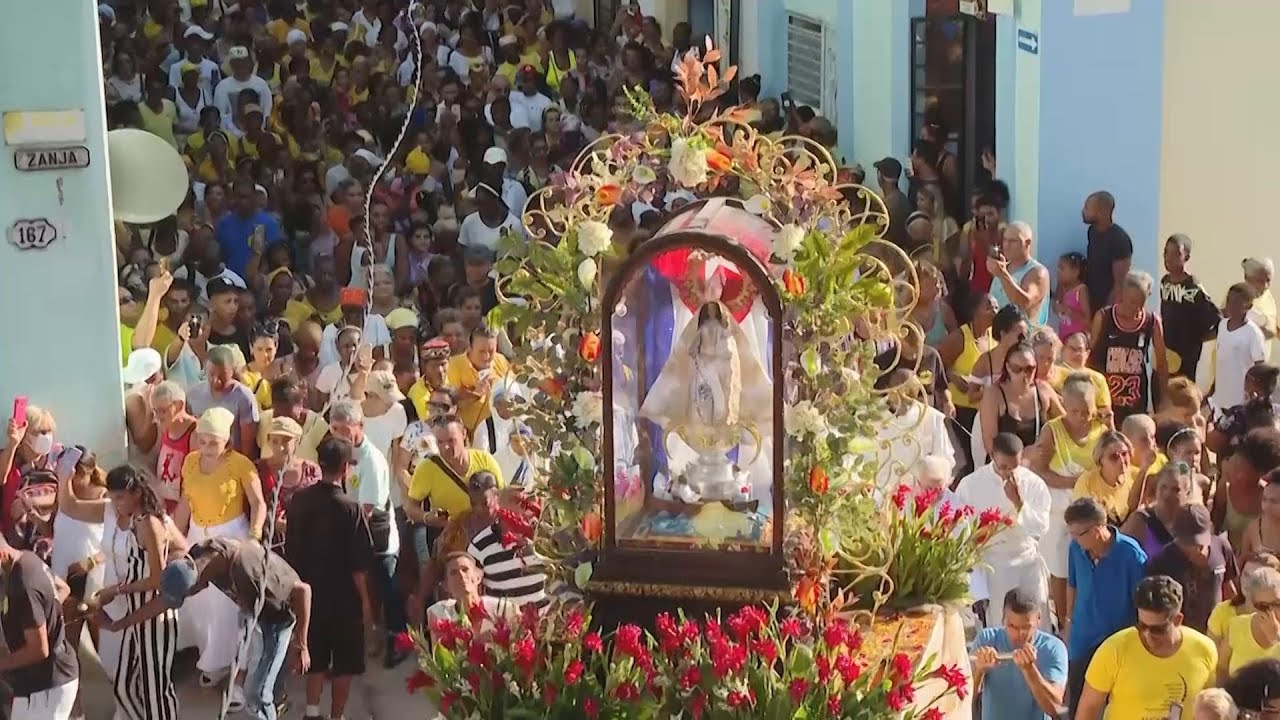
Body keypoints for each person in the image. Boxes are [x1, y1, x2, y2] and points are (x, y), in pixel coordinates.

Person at [109, 537, 312, 720]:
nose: (188, 598)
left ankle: (269, 705)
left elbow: (303, 590)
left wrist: (301, 644)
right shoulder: (198, 556)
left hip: (277, 620)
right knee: (260, 682)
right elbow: (162, 603)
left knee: (256, 693)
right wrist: (122, 624)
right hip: (255, 612)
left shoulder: (246, 570)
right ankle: (275, 697)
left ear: (196, 582)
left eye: (186, 595)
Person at [71, 465, 185, 720]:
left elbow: (157, 579)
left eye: (120, 497)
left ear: (136, 492)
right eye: (112, 498)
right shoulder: (134, 519)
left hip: (155, 619)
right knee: (123, 689)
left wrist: (118, 589)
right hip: (136, 617)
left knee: (156, 694)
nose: (116, 504)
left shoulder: (150, 524)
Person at [175, 407, 267, 688]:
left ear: (227, 440)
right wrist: (174, 538)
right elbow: (185, 503)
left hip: (229, 537)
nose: (206, 447)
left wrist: (253, 537)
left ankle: (238, 668)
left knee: (227, 606)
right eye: (202, 441)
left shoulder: (240, 464)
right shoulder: (190, 462)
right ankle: (211, 659)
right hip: (196, 537)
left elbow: (258, 503)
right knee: (199, 602)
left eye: (213, 442)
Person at [285, 437, 374, 720]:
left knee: (316, 658)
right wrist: (366, 603)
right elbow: (359, 566)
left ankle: (311, 713)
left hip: (308, 595)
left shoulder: (298, 500)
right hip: (344, 599)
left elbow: (291, 549)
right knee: (344, 663)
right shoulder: (350, 508)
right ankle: (337, 716)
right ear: (345, 468)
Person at [326, 399, 405, 667]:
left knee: (387, 585)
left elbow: (367, 509)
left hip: (375, 531)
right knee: (361, 588)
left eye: (345, 430)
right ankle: (365, 634)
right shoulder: (341, 454)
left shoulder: (372, 460)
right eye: (335, 429)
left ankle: (398, 637)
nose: (340, 435)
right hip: (352, 528)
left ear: (360, 427)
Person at [1077, 575, 1217, 720]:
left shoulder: (1204, 650)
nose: (1147, 635)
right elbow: (1088, 710)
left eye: (1158, 630)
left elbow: (1210, 707)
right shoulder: (1114, 650)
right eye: (1141, 626)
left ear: (1177, 620)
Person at [1030, 373, 1109, 630]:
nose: (1080, 417)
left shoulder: (1102, 429)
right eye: (1074, 411)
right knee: (1061, 566)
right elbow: (1040, 470)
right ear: (1064, 404)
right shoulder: (1052, 430)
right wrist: (1073, 483)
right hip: (1060, 507)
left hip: (1093, 507)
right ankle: (1063, 621)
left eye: (1086, 411)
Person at [955, 432, 1052, 627]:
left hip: (1025, 558)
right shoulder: (971, 484)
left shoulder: (1034, 484)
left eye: (1013, 466)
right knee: (1000, 619)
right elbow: (960, 525)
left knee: (1036, 615)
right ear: (992, 455)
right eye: (1003, 467)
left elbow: (1041, 526)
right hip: (994, 562)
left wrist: (1019, 504)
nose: (1008, 472)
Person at [1063, 496, 1148, 714]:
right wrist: (1069, 621)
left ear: (1098, 529)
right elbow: (1072, 584)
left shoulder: (1131, 554)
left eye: (1078, 533)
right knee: (1078, 706)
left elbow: (1141, 602)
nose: (1074, 538)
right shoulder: (1075, 548)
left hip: (1116, 642)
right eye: (1071, 533)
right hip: (1082, 639)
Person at [0, 529, 78, 720]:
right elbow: (62, 588)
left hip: (47, 686)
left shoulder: (23, 582)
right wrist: (45, 616)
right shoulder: (28, 558)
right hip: (39, 683)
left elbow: (38, 650)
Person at [969, 588, 1067, 720]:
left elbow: (1055, 708)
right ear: (1003, 618)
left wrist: (1029, 670)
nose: (1019, 634)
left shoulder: (1053, 648)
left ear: (1038, 619)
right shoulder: (987, 639)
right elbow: (963, 697)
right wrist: (980, 670)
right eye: (1012, 626)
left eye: (1026, 627)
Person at [1143, 504, 1238, 633]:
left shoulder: (1222, 547)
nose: (1194, 548)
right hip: (1182, 634)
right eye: (1187, 543)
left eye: (1198, 543)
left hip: (1216, 631)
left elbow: (1228, 588)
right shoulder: (1161, 561)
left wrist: (1235, 621)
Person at [1090, 270, 1168, 423]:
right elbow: (1090, 356)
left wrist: (1164, 398)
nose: (1136, 307)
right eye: (1132, 301)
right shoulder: (1104, 317)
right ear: (1122, 294)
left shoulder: (1152, 322)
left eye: (1141, 302)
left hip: (1136, 402)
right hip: (1104, 401)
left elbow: (1162, 363)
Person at [978, 340, 1061, 458]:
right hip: (1003, 464)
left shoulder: (1043, 390)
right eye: (1017, 369)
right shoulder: (994, 394)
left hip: (1037, 464)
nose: (1024, 374)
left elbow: (1066, 422)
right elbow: (990, 444)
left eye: (1029, 369)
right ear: (1007, 367)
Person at [1160, 234, 1222, 381]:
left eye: (1176, 254)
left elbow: (1218, 319)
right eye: (1166, 253)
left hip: (1186, 359)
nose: (1169, 258)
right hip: (1167, 354)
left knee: (1182, 397)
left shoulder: (1193, 288)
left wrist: (1197, 339)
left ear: (1186, 258)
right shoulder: (1165, 282)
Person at [187, 344, 260, 456]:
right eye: (211, 374)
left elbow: (247, 445)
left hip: (230, 462)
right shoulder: (194, 394)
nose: (216, 381)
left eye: (223, 375)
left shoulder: (244, 398)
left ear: (232, 371)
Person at [426, 551, 517, 637]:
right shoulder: (439, 614)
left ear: (478, 577)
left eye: (465, 569)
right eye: (454, 573)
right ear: (446, 586)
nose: (461, 575)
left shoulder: (504, 609)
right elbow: (437, 651)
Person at [446, 324, 512, 439]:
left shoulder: (500, 360)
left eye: (491, 351)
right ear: (470, 348)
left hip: (499, 433)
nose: (487, 356)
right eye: (481, 351)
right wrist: (475, 394)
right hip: (467, 435)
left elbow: (514, 390)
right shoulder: (454, 365)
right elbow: (451, 404)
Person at [1215, 565, 1280, 681]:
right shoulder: (1237, 626)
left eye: (1277, 604)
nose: (1272, 612)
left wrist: (1277, 639)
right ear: (1251, 604)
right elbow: (1221, 669)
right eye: (1263, 606)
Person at [1213, 282, 1269, 413]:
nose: (1230, 305)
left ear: (1248, 306)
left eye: (1236, 302)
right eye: (1229, 300)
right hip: (1220, 399)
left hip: (1241, 402)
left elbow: (1260, 367)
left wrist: (1255, 394)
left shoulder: (1253, 333)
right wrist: (1212, 390)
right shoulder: (1222, 326)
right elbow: (1222, 361)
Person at [1121, 462, 1196, 559]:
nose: (1167, 495)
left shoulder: (1192, 523)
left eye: (1175, 490)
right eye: (1163, 487)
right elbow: (1119, 557)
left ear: (1187, 492)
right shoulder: (1140, 521)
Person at [988, 221, 1050, 327]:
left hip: (1025, 340)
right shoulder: (1002, 268)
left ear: (1027, 243)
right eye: (1005, 240)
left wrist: (1003, 274)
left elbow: (1024, 303)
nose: (1007, 245)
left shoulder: (1037, 272)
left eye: (1013, 241)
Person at [1082, 190, 1133, 308]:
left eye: (1087, 208)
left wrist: (1106, 312)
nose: (1083, 211)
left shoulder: (1120, 240)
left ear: (1101, 212)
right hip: (1092, 299)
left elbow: (1119, 284)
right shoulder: (1092, 231)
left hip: (1107, 304)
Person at [1054, 251, 1090, 341]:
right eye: (1058, 268)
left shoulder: (1081, 290)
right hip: (1063, 340)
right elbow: (1055, 308)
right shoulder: (1062, 288)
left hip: (1077, 340)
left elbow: (1087, 319)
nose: (1058, 271)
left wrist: (1068, 311)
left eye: (1062, 268)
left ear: (1075, 272)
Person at [1243, 256, 1278, 343]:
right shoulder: (1235, 296)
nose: (1265, 285)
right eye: (1260, 280)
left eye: (1268, 280)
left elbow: (1274, 329)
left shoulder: (1268, 297)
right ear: (1247, 278)